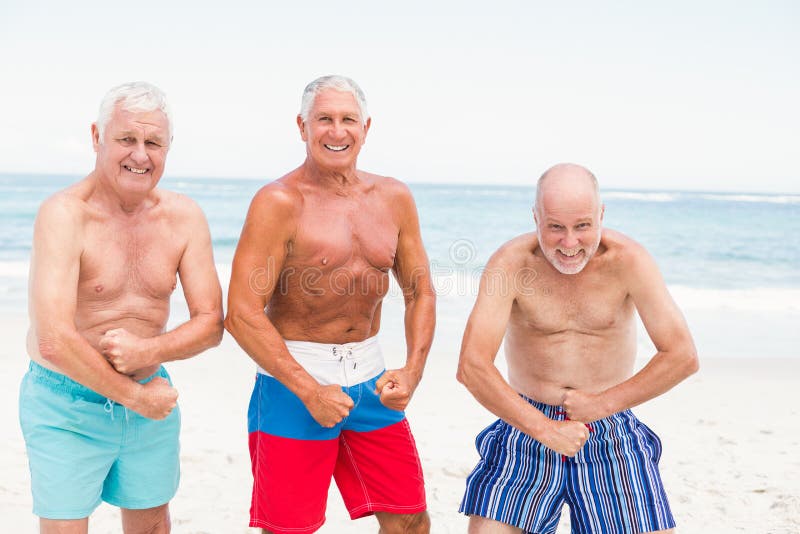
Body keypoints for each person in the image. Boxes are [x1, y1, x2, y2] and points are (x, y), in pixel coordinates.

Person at [225, 75, 435, 534]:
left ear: (366, 127)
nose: (336, 131)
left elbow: (420, 291)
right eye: (324, 119)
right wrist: (308, 390)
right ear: (302, 127)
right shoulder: (279, 202)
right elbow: (241, 313)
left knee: (410, 520)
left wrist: (412, 371)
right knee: (289, 529)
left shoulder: (394, 197)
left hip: (371, 380)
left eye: (347, 120)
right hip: (293, 383)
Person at [19, 81, 224, 534]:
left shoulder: (184, 217)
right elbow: (52, 339)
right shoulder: (64, 215)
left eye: (154, 143)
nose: (141, 155)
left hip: (149, 397)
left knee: (152, 524)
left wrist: (149, 355)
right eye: (126, 139)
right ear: (97, 136)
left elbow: (211, 323)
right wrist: (135, 396)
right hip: (65, 403)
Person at [457, 163, 699, 533]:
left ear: (600, 216)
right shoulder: (511, 263)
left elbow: (682, 355)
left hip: (608, 423)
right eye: (555, 227)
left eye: (582, 226)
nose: (569, 243)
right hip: (526, 424)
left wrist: (602, 404)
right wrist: (543, 428)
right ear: (535, 218)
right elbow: (472, 366)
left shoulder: (629, 261)